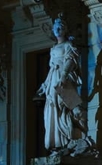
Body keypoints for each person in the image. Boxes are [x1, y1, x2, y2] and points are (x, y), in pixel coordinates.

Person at [36, 16, 93, 155]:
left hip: (63, 79)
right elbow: (51, 69)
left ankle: (67, 139)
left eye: (61, 27)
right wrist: (44, 85)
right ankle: (56, 142)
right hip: (53, 80)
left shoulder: (69, 45)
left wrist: (64, 75)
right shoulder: (53, 48)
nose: (58, 29)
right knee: (52, 109)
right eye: (56, 27)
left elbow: (70, 61)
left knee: (65, 107)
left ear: (65, 29)